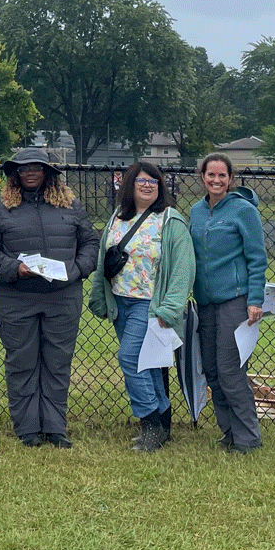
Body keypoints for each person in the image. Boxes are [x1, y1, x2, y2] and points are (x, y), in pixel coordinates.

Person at [0, 149, 99, 448]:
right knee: (22, 363)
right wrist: (14, 268)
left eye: (36, 168)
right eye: (23, 168)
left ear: (48, 173)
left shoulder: (70, 206)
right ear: (14, 174)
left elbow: (91, 241)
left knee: (57, 363)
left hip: (62, 297)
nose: (29, 173)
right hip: (16, 298)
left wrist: (77, 269)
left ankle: (56, 428)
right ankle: (27, 428)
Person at [87, 161, 194, 452]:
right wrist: (99, 296)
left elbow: (184, 268)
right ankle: (161, 423)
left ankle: (149, 423)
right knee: (147, 364)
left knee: (129, 359)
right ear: (129, 185)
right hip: (120, 302)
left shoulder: (171, 220)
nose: (147, 185)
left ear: (160, 187)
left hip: (150, 305)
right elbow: (103, 260)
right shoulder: (118, 218)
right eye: (141, 181)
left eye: (153, 181)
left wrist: (169, 309)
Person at [189, 152, 267, 454]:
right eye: (211, 175)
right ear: (203, 177)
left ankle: (248, 437)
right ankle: (229, 431)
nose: (217, 180)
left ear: (231, 179)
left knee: (230, 369)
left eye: (223, 175)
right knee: (211, 369)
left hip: (236, 301)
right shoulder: (196, 211)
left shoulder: (243, 211)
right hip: (205, 301)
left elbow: (257, 257)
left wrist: (255, 299)